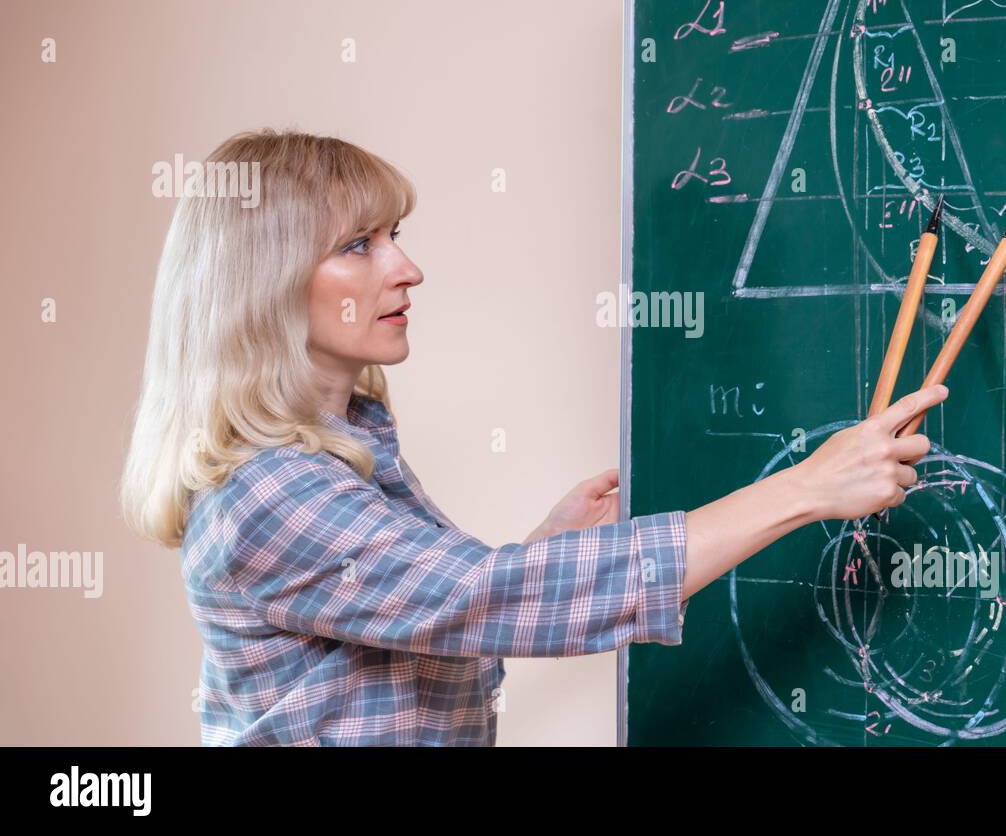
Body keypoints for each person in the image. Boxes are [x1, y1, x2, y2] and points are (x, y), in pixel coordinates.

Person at [119, 129, 948, 746]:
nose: (406, 269)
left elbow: (446, 627)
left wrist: (541, 548)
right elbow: (485, 601)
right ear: (264, 286)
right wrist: (806, 489)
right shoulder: (271, 491)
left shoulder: (350, 453)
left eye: (395, 236)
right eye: (358, 245)